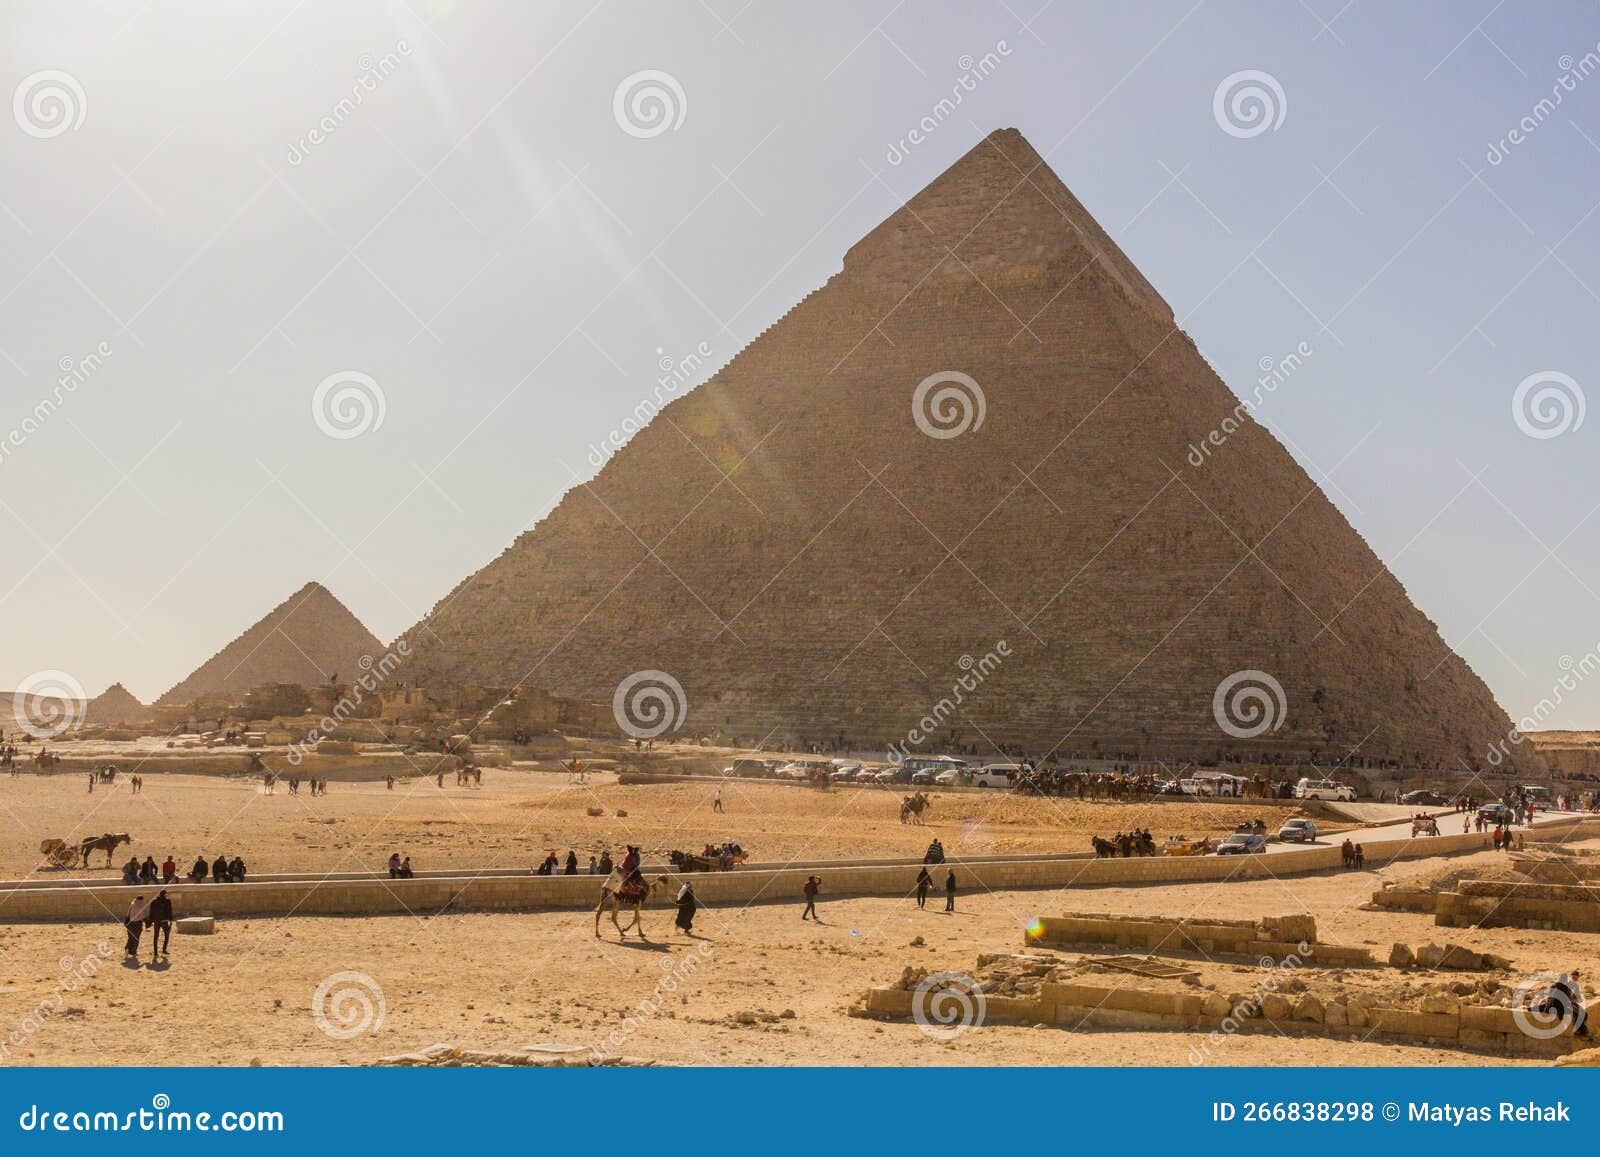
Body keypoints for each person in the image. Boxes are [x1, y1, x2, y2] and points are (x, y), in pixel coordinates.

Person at [147, 889, 173, 961]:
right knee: (166, 935)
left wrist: (150, 921)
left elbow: (151, 912)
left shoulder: (154, 901)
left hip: (157, 921)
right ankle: (164, 950)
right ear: (165, 894)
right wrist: (170, 920)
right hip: (164, 921)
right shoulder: (168, 901)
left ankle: (155, 953)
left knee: (156, 937)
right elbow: (170, 911)